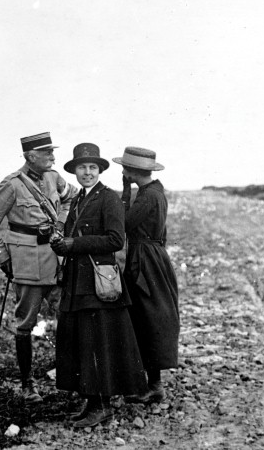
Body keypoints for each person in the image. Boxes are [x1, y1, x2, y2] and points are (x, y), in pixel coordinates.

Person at [50, 143, 146, 428]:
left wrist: (74, 243)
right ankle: (91, 402)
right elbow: (73, 234)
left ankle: (101, 405)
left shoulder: (108, 199)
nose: (87, 172)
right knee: (83, 341)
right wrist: (60, 240)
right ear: (75, 171)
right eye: (82, 168)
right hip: (78, 282)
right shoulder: (80, 198)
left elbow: (116, 240)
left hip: (98, 283)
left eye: (93, 168)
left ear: (101, 170)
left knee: (97, 342)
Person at [0, 132, 77, 402]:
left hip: (58, 259)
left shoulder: (54, 177)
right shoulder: (11, 185)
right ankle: (27, 383)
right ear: (31, 156)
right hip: (27, 264)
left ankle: (69, 377)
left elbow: (71, 198)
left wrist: (60, 223)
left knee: (67, 319)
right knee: (25, 325)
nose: (53, 157)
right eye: (47, 153)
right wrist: (4, 259)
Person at [113, 146, 180, 403]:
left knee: (147, 315)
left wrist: (125, 191)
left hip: (145, 259)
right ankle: (152, 384)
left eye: (125, 168)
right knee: (150, 315)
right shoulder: (155, 191)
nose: (122, 171)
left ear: (132, 171)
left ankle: (152, 386)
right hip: (153, 256)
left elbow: (124, 225)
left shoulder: (147, 196)